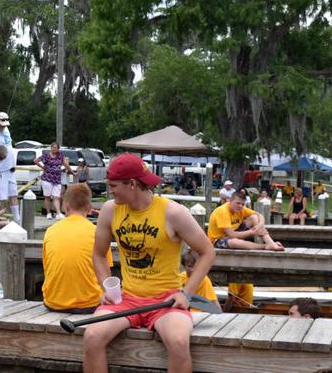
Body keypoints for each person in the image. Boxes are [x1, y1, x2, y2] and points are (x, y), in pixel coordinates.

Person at [84, 154, 215, 372]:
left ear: (132, 184)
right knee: (92, 336)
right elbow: (98, 254)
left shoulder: (173, 212)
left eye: (114, 186)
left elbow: (208, 252)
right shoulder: (110, 210)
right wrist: (105, 286)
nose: (110, 191)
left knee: (179, 343)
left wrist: (186, 294)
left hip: (165, 302)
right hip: (126, 300)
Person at [42, 183, 112, 312]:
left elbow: (47, 268)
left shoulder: (51, 231)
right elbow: (105, 272)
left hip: (53, 302)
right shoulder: (97, 232)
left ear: (65, 206)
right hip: (89, 303)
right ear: (90, 208)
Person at [208, 190, 284, 251]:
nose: (240, 206)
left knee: (254, 217)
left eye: (242, 204)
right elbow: (232, 235)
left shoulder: (241, 208)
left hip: (235, 232)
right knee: (234, 242)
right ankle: (265, 246)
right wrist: (252, 232)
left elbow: (260, 215)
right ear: (230, 201)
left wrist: (260, 224)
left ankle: (271, 243)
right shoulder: (222, 211)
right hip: (218, 239)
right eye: (238, 203)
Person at [35, 142, 74, 220]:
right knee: (47, 197)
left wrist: (72, 172)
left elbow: (66, 165)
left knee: (56, 197)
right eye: (53, 147)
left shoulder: (60, 156)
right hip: (47, 178)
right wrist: (43, 167)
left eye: (56, 148)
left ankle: (58, 213)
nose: (54, 149)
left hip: (57, 179)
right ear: (51, 148)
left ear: (58, 149)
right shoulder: (46, 156)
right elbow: (36, 160)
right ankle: (48, 213)